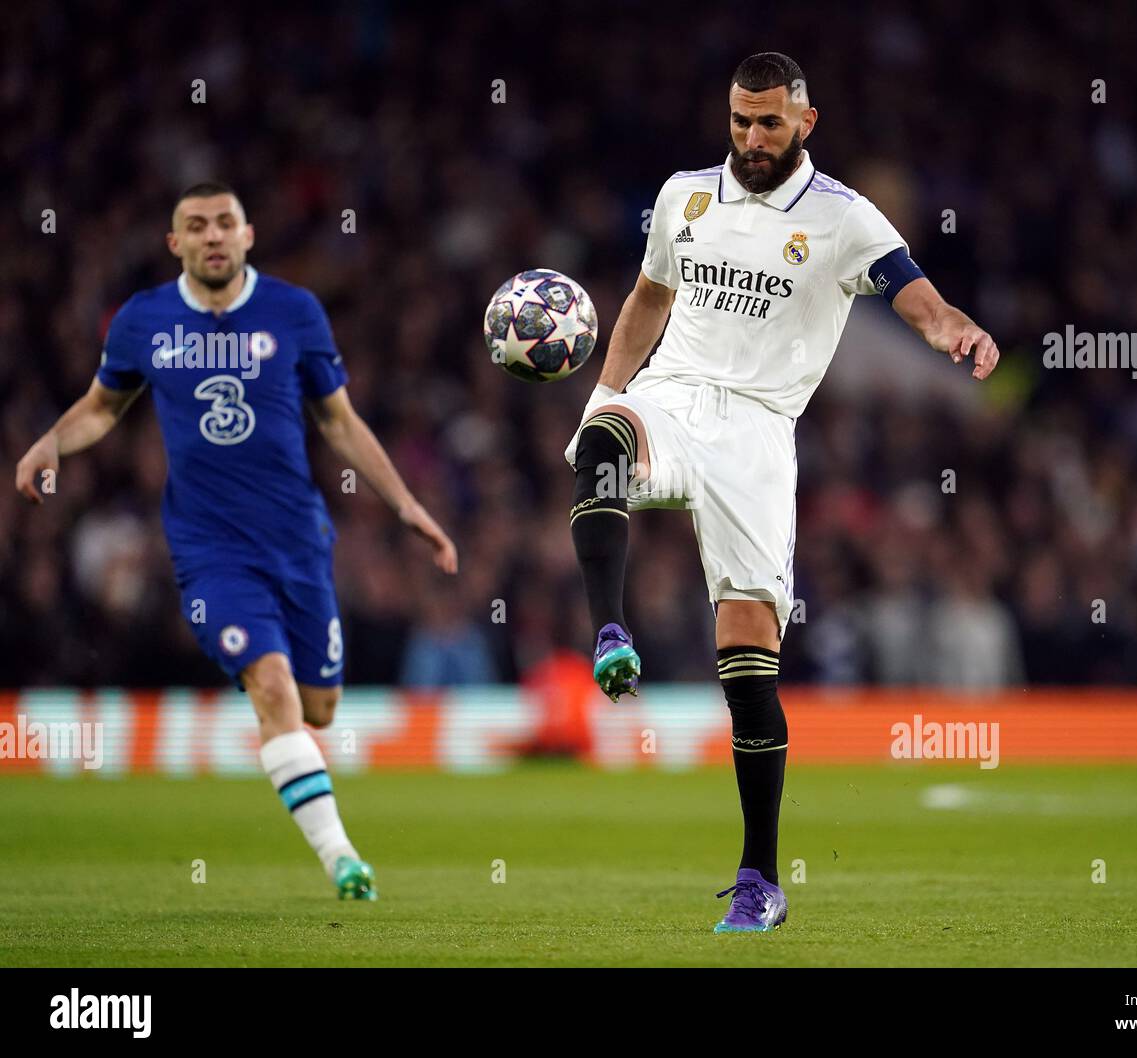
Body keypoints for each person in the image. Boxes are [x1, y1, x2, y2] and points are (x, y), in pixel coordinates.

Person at [565, 53, 1000, 932]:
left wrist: (951, 325)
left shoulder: (843, 216)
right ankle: (610, 629)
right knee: (603, 443)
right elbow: (648, 300)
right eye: (739, 121)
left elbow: (908, 291)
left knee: (749, 662)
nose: (751, 139)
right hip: (677, 398)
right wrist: (609, 392)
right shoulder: (685, 196)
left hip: (761, 437)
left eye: (768, 123)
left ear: (807, 121)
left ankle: (761, 874)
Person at [15, 182, 459, 900]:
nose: (213, 235)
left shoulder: (294, 312)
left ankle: (295, 757)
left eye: (225, 223)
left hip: (299, 540)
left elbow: (339, 421)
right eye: (196, 225)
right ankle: (342, 858)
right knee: (274, 689)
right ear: (176, 244)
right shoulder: (145, 321)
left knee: (319, 708)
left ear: (249, 234)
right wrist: (51, 442)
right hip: (209, 549)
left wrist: (405, 504)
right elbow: (103, 407)